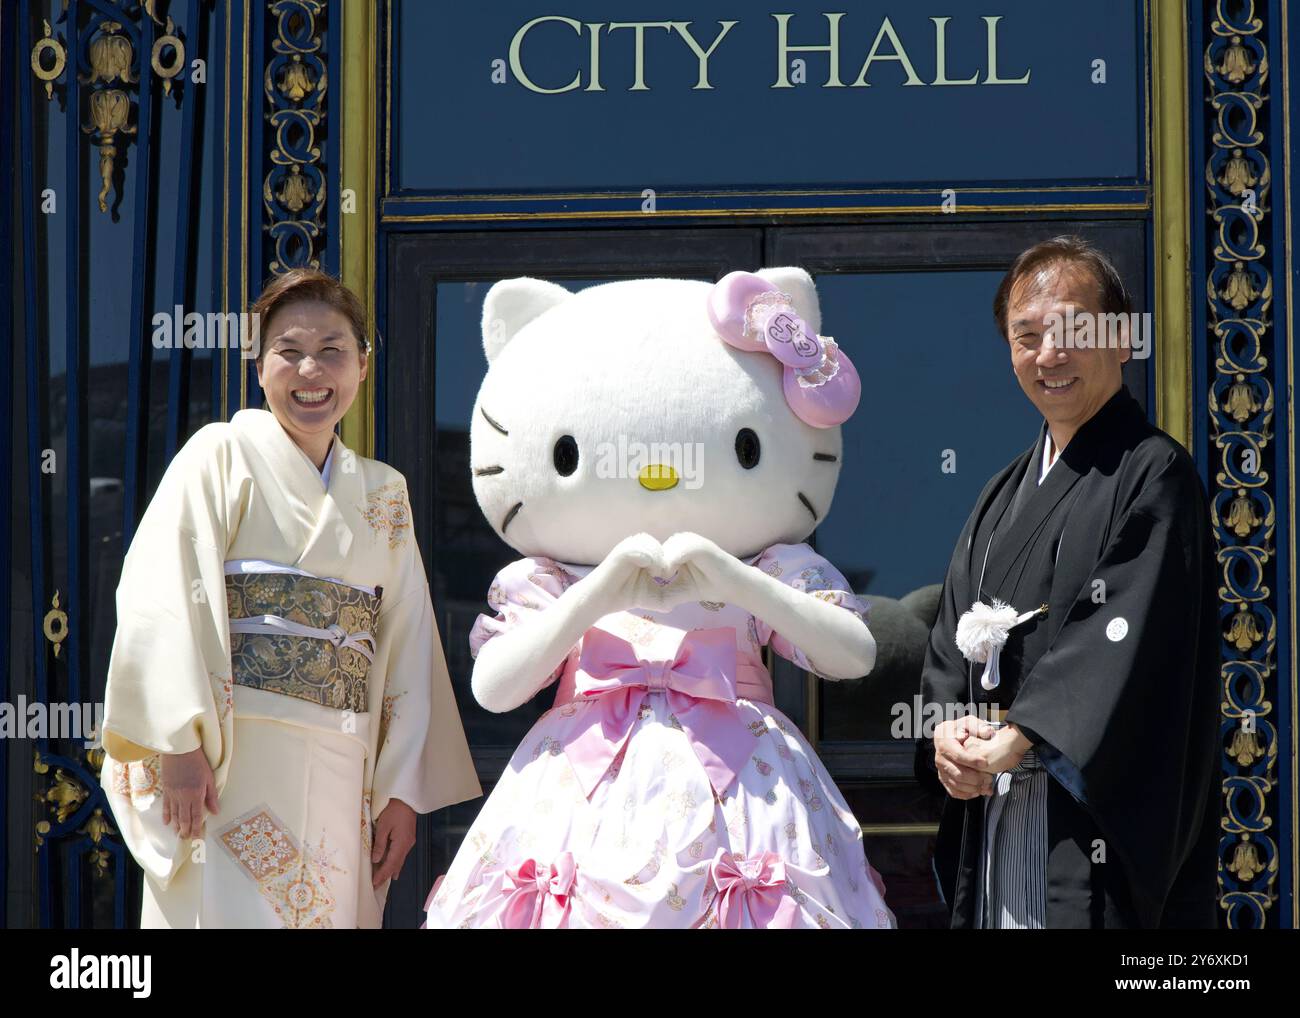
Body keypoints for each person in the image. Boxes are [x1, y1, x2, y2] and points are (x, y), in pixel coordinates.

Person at [101, 268, 479, 928]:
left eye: (333, 350)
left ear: (362, 365)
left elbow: (409, 640)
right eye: (289, 350)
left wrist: (401, 794)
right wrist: (178, 744)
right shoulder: (217, 457)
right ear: (258, 365)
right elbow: (161, 590)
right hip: (230, 760)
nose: (312, 369)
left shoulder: (384, 494)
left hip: (341, 763)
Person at [916, 236, 1220, 928]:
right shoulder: (998, 497)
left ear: (1121, 341)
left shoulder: (1154, 475)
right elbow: (947, 647)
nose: (1047, 356)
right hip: (996, 820)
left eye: (1070, 332)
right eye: (1026, 337)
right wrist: (946, 736)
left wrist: (1023, 735)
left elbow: (1125, 641)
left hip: (1087, 826)